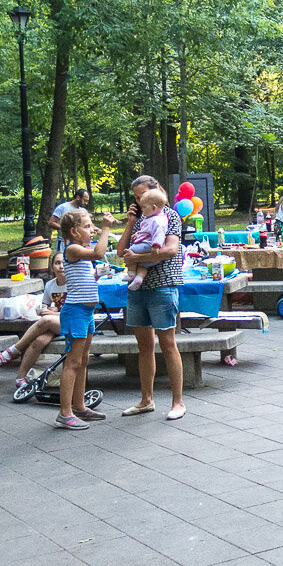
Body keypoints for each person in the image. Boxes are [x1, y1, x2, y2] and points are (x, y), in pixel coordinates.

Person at [116, 175, 187, 420]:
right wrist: (130, 222)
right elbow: (119, 251)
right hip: (138, 288)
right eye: (136, 198)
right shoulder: (141, 218)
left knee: (168, 344)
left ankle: (177, 402)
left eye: (142, 196)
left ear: (155, 193)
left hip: (162, 285)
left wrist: (135, 259)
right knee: (143, 345)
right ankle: (146, 399)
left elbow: (169, 250)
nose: (139, 201)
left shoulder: (169, 216)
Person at [54, 208, 114, 429]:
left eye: (92, 226)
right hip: (76, 312)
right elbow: (98, 253)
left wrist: (97, 274)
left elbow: (85, 275)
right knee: (73, 362)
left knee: (84, 360)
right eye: (87, 226)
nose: (92, 230)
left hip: (86, 312)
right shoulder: (72, 249)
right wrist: (105, 229)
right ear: (74, 231)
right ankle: (64, 413)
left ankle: (79, 406)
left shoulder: (81, 250)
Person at [0, 252, 67, 388]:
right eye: (57, 263)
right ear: (52, 267)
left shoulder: (74, 284)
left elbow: (74, 312)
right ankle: (20, 378)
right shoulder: (50, 285)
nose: (61, 266)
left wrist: (52, 314)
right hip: (56, 323)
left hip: (71, 322)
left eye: (64, 263)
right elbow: (48, 305)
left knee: (46, 321)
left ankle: (14, 349)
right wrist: (46, 309)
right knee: (39, 341)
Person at [123, 187, 169, 290]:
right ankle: (139, 278)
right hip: (149, 249)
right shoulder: (151, 218)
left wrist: (156, 245)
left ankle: (131, 273)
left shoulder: (157, 221)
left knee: (130, 252)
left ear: (153, 208)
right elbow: (147, 231)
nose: (142, 209)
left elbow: (159, 234)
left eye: (144, 207)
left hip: (149, 246)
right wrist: (138, 234)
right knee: (142, 265)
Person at [49, 189, 91, 253]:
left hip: (78, 243)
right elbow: (51, 223)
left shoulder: (83, 210)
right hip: (63, 242)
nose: (86, 203)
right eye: (84, 200)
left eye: (87, 201)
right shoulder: (62, 207)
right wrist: (65, 228)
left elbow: (91, 226)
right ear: (78, 197)